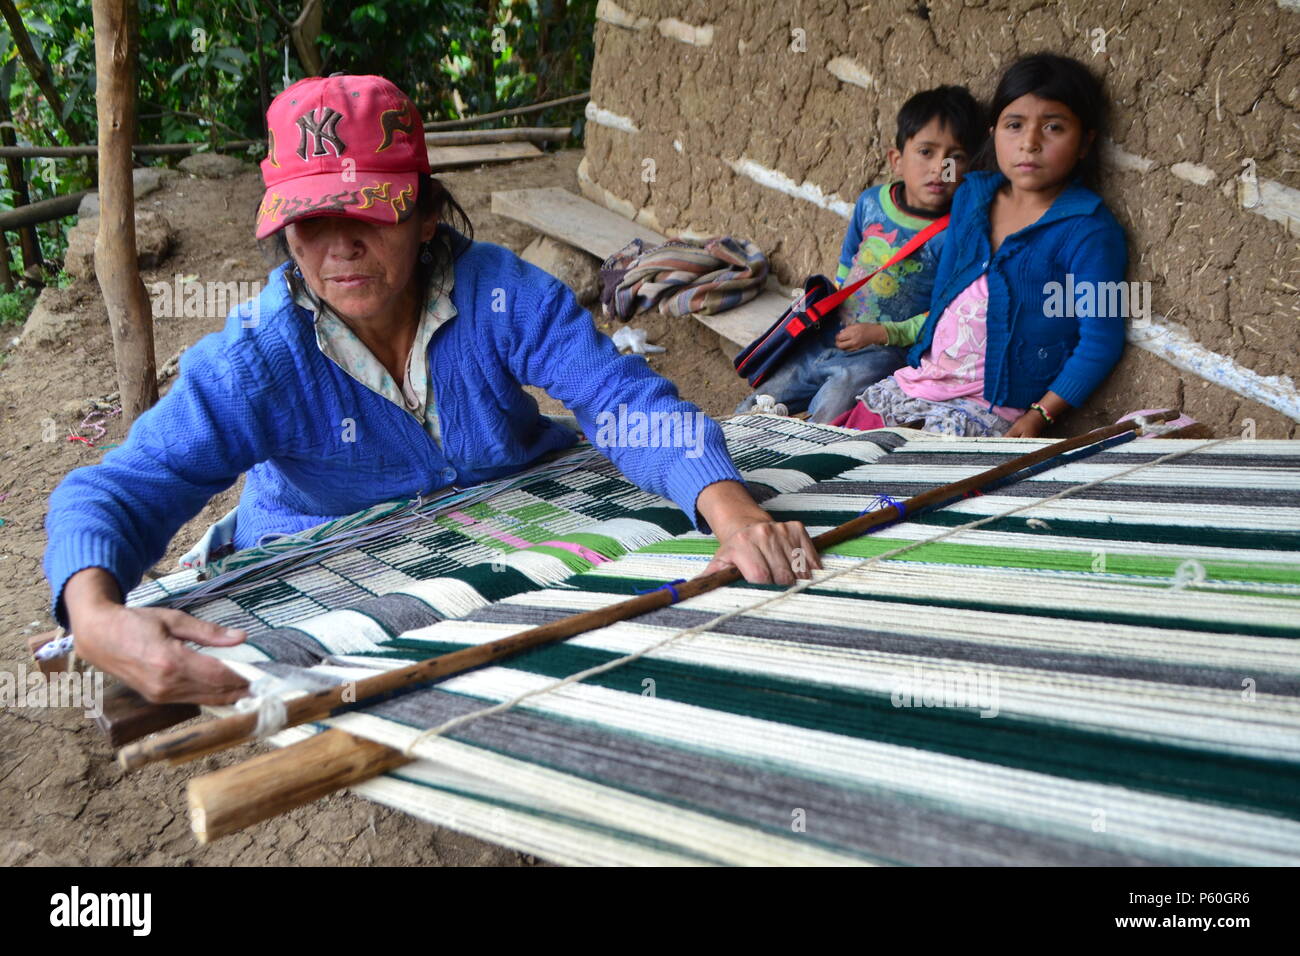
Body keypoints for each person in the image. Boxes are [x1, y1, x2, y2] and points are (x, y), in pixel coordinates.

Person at [43, 75, 820, 705]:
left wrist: (731, 508)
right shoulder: (258, 358)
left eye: (369, 212)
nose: (340, 245)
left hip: (516, 526)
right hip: (328, 564)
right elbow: (115, 490)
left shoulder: (501, 296)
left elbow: (621, 403)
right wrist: (94, 616)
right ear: (283, 231)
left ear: (421, 214)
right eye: (311, 221)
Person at [834, 53, 1128, 437]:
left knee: (914, 486)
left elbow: (1101, 340)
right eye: (1014, 125)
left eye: (1053, 127)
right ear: (993, 134)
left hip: (989, 406)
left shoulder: (1091, 233)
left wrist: (1042, 414)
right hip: (921, 381)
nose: (1030, 143)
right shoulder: (972, 196)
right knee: (845, 455)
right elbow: (944, 288)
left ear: (1086, 142)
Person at [736, 86, 984, 423]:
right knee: (758, 406)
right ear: (897, 160)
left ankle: (808, 458)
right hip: (831, 334)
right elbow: (849, 259)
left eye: (955, 158)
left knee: (831, 412)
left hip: (884, 352)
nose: (940, 167)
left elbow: (944, 315)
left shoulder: (955, 234)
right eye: (926, 151)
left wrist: (882, 334)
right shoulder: (871, 202)